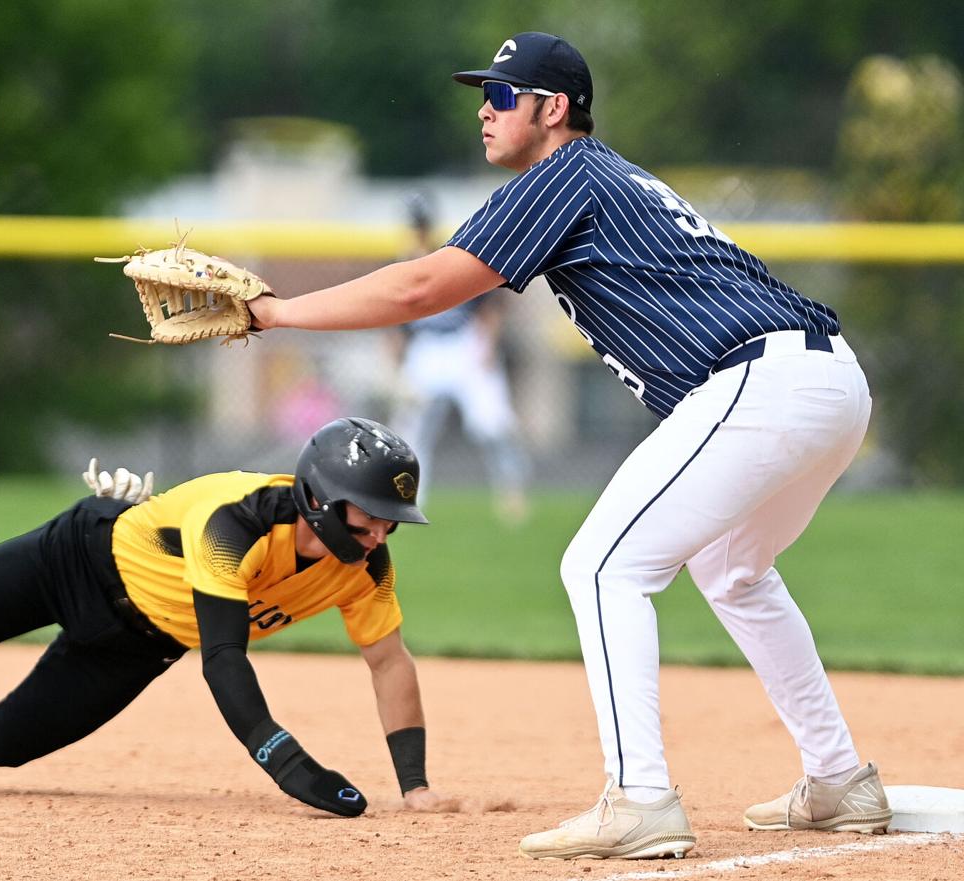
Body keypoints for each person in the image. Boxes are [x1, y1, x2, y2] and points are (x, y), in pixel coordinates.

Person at [246, 31, 891, 859]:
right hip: (829, 381)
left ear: (553, 110)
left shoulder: (564, 174)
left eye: (504, 95)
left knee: (602, 565)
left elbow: (419, 285)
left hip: (762, 383)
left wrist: (276, 313)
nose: (485, 108)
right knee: (732, 568)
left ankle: (642, 797)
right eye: (484, 93)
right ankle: (839, 779)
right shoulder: (601, 177)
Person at [0, 417, 455, 817]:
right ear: (318, 498)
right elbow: (223, 657)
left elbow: (388, 659)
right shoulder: (237, 524)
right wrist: (287, 763)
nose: (381, 535)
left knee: (9, 739)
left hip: (137, 644)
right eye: (371, 516)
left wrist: (415, 786)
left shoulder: (365, 568)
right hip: (74, 560)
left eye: (393, 523)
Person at [389, 192, 529, 520]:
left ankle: (513, 493)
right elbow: (393, 321)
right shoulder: (400, 262)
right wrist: (397, 360)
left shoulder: (449, 255)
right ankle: (409, 500)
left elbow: (489, 302)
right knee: (410, 430)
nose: (419, 229)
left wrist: (487, 345)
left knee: (492, 423)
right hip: (425, 349)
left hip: (465, 343)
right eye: (415, 224)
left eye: (421, 223)